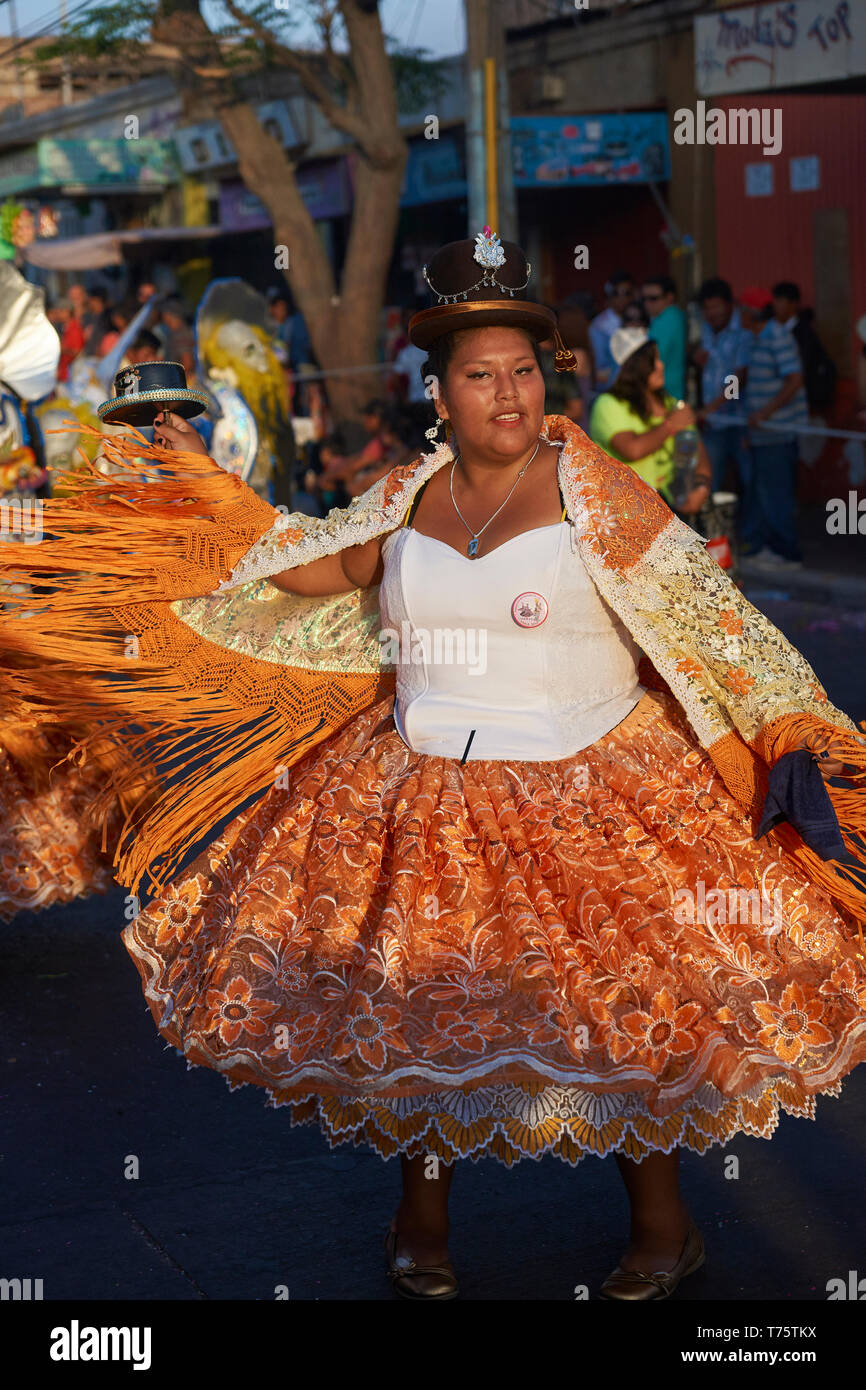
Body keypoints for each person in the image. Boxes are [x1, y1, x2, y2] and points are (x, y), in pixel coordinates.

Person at [4, 231, 866, 1306]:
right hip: (423, 793)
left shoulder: (599, 497)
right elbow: (296, 565)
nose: (505, 394)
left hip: (587, 786)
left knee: (615, 1015)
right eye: (478, 375)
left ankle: (663, 1224)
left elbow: (717, 628)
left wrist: (783, 736)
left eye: (521, 370)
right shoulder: (404, 495)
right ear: (439, 392)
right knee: (417, 1011)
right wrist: (184, 496)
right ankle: (421, 1223)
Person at [589, 326, 710, 515]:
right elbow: (632, 449)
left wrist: (701, 485)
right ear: (634, 367)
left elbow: (695, 445)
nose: (661, 366)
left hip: (673, 509)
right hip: (629, 514)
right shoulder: (608, 404)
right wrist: (671, 425)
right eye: (653, 360)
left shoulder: (667, 401)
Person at [739, 286, 808, 568]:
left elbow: (794, 380)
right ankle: (759, 547)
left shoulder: (777, 335)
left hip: (777, 431)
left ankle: (786, 552)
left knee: (775, 493)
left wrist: (765, 414)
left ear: (751, 313)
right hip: (760, 433)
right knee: (759, 490)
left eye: (741, 310)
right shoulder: (754, 337)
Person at [693, 277, 752, 493]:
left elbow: (739, 379)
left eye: (716, 306)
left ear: (729, 304)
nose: (712, 312)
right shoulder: (707, 330)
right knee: (711, 482)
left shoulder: (744, 332)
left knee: (750, 481)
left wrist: (710, 408)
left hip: (741, 421)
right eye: (707, 308)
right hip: (714, 423)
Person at [771, 281, 837, 416]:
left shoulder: (803, 332)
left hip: (804, 404)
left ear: (793, 303)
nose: (775, 305)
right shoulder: (778, 330)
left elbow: (801, 370)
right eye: (775, 300)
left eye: (780, 300)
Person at [589, 271, 635, 393]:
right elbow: (600, 370)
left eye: (627, 293)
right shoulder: (599, 326)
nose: (622, 298)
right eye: (616, 293)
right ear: (609, 295)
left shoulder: (641, 318)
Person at [642, 274, 687, 401]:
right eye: (644, 299)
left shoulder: (669, 318)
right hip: (669, 393)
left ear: (669, 297)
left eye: (653, 298)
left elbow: (652, 357)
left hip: (666, 395)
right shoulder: (671, 316)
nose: (647, 303)